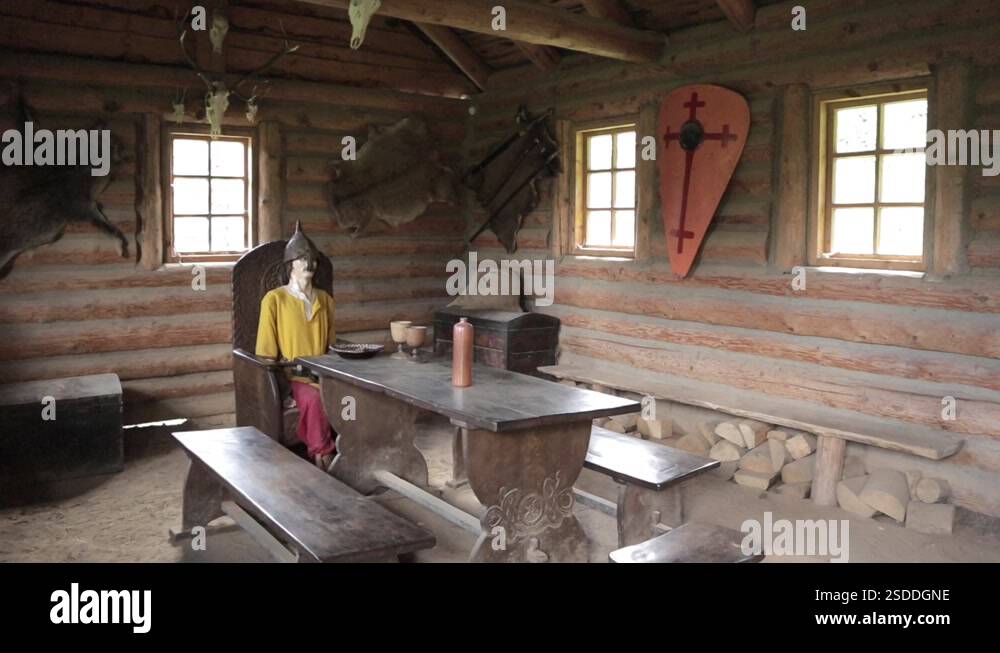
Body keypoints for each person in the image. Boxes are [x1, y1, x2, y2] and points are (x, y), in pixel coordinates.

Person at [255, 222, 337, 471]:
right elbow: (266, 352)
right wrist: (282, 387)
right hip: (293, 375)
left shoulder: (325, 300)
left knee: (355, 393)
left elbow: (332, 345)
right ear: (290, 266)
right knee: (315, 399)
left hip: (324, 372)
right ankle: (323, 454)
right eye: (301, 259)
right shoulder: (275, 300)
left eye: (311, 259)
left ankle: (356, 452)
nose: (308, 264)